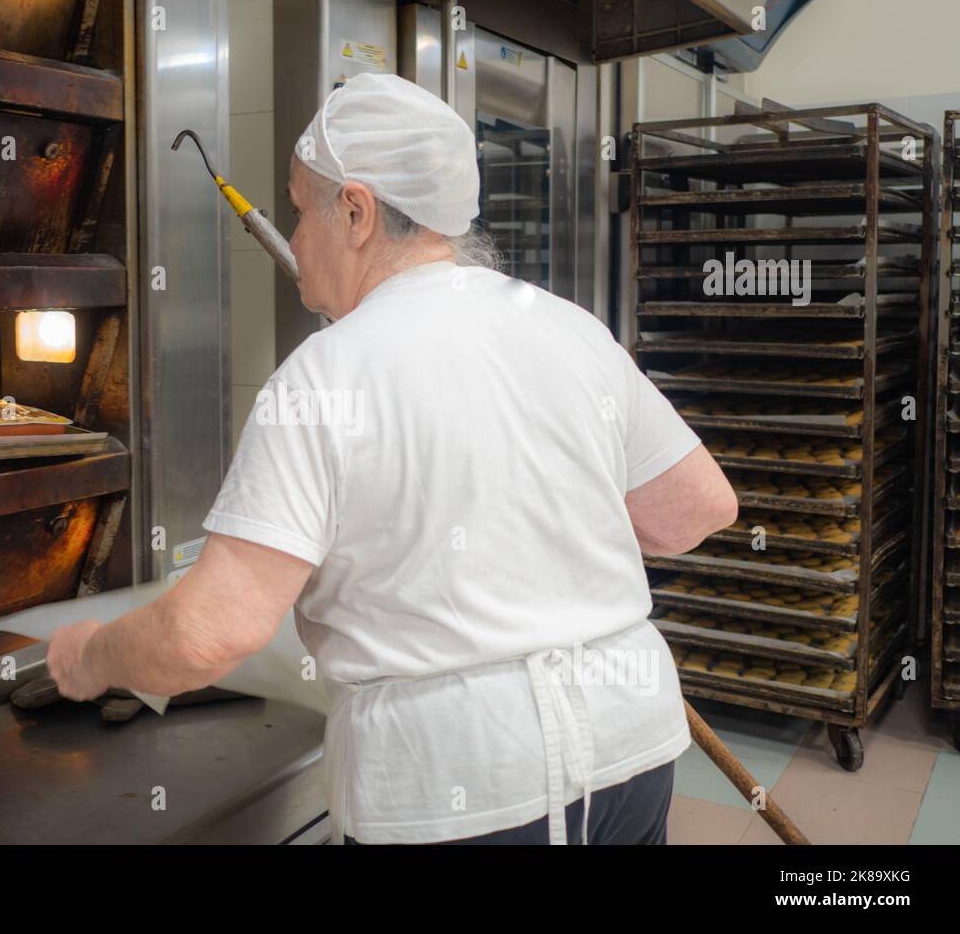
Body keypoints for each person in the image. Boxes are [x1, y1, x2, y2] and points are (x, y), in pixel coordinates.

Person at [47, 72, 738, 845]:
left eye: (301, 209)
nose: (295, 233)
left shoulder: (325, 375)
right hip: (630, 757)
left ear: (356, 212)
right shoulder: (570, 329)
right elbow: (696, 510)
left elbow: (210, 633)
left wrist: (93, 654)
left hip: (458, 791)